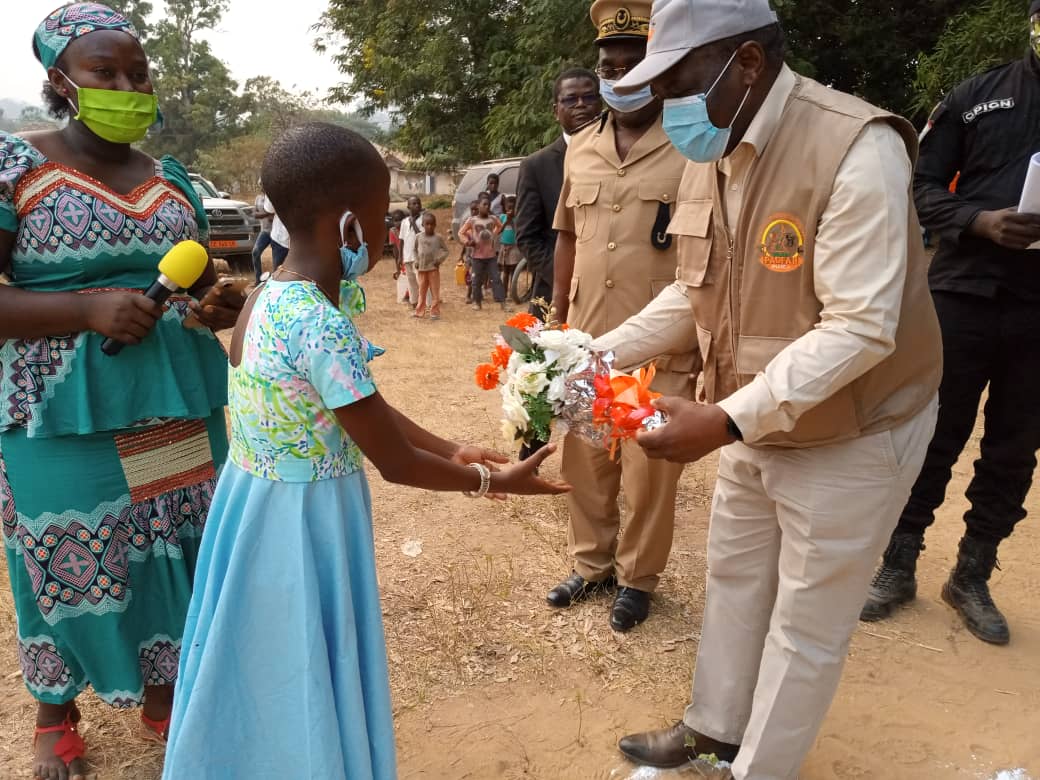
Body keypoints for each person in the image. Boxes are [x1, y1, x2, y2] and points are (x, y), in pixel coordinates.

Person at [589, 1, 943, 776]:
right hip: (755, 418)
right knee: (736, 581)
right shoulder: (715, 147)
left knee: (806, 624)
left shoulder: (855, 146)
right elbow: (696, 290)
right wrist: (593, 352)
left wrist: (722, 421)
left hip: (857, 426)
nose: (667, 107)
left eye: (679, 84)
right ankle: (714, 730)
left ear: (746, 63)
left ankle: (761, 769)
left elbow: (861, 328)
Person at [161, 122, 569, 780]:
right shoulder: (320, 324)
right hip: (305, 523)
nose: (385, 231)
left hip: (251, 507)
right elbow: (395, 463)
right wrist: (497, 485)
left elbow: (360, 408)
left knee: (260, 652)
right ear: (351, 224)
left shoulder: (264, 296)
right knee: (302, 654)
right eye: (381, 214)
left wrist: (458, 447)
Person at [0, 5, 245, 779]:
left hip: (174, 393)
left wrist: (217, 301)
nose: (126, 85)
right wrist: (82, 308)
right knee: (67, 554)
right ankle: (54, 709)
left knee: (175, 541)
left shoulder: (170, 179)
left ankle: (164, 693)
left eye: (137, 72)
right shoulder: (16, 166)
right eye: (105, 72)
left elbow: (199, 272)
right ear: (60, 82)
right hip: (60, 410)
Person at [860, 2, 1040, 645]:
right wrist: (978, 221)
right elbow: (919, 184)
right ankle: (897, 563)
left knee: (1015, 449)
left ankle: (971, 574)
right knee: (935, 433)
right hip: (963, 293)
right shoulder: (977, 97)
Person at [549, 0, 695, 633]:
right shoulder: (579, 149)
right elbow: (566, 237)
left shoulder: (694, 144)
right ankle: (592, 564)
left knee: (650, 466)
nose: (619, 74)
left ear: (658, 67)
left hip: (660, 344)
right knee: (585, 456)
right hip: (586, 334)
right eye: (610, 64)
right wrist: (556, 320)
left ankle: (639, 578)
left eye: (633, 63)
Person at [516, 67, 601, 320]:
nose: (581, 105)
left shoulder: (619, 156)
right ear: (556, 110)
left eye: (589, 97)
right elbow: (527, 237)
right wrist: (569, 281)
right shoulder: (536, 165)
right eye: (570, 99)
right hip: (554, 298)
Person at [460, 195, 507, 311]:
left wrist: (493, 235)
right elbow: (461, 232)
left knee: (496, 278)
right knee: (476, 280)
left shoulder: (493, 219)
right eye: (484, 204)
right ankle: (477, 302)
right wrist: (468, 242)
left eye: (488, 205)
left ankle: (502, 302)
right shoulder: (472, 220)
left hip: (490, 256)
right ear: (478, 206)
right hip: (477, 257)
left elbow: (500, 226)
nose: (487, 207)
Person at [413, 212, 448, 320]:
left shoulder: (438, 238)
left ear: (435, 225)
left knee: (435, 291)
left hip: (433, 269)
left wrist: (439, 260)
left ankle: (435, 312)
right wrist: (416, 261)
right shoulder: (418, 237)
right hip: (422, 269)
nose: (429, 226)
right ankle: (419, 311)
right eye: (427, 224)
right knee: (421, 291)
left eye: (432, 224)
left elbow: (446, 251)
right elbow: (414, 250)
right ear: (423, 225)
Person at [399, 195, 425, 306]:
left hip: (418, 257)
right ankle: (414, 302)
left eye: (418, 203)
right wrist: (400, 257)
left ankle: (425, 303)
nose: (417, 205)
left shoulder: (423, 220)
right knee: (411, 281)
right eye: (414, 204)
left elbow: (421, 236)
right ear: (408, 206)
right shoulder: (404, 222)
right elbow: (401, 240)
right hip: (407, 256)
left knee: (421, 281)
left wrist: (413, 222)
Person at [252, 179, 274, 284]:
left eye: (263, 184)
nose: (262, 186)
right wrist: (267, 213)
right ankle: (258, 280)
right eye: (260, 184)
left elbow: (273, 217)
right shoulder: (258, 198)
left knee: (276, 259)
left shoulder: (273, 197)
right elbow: (254, 214)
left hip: (275, 232)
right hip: (265, 231)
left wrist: (265, 214)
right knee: (256, 252)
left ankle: (275, 281)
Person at [498, 194, 520, 294]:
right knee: (505, 271)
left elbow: (517, 232)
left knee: (513, 271)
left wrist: (512, 221)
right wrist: (506, 221)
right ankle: (504, 291)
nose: (510, 210)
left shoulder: (517, 219)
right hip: (504, 247)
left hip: (514, 247)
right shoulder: (502, 217)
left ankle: (513, 292)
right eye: (508, 208)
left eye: (513, 208)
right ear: (505, 207)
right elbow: (499, 231)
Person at [265, 193, 290, 269]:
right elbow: (269, 209)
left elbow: (269, 209)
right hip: (281, 239)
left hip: (283, 240)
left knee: (279, 274)